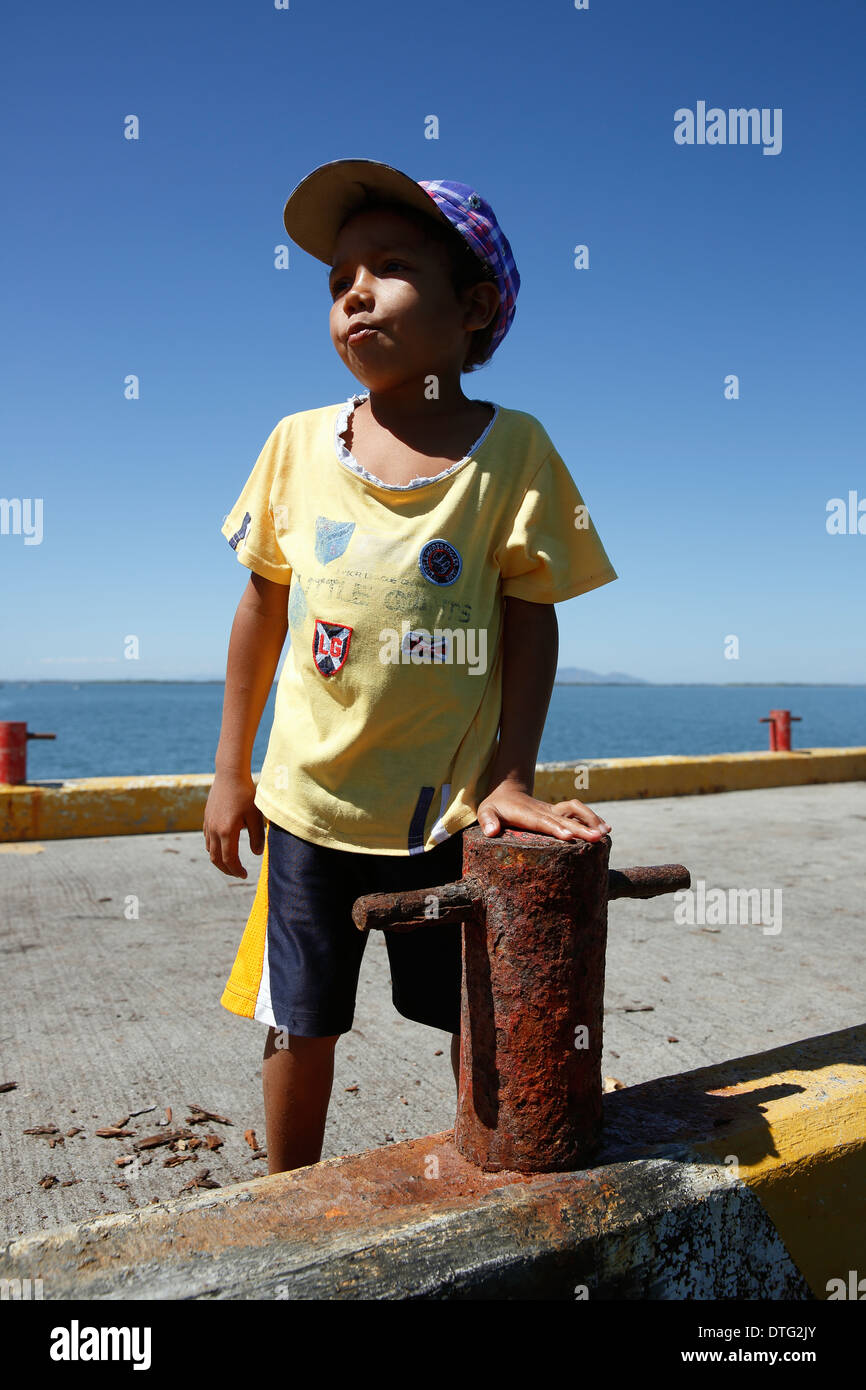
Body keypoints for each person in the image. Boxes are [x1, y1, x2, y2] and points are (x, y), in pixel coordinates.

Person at [204, 158, 618, 1175]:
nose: (352, 291)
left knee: (471, 1013)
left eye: (389, 268)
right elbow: (260, 608)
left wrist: (510, 778)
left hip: (446, 811)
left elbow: (530, 617)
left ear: (472, 308)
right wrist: (230, 771)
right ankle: (284, 1201)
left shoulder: (511, 451)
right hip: (308, 804)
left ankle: (487, 1173)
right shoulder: (297, 444)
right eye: (337, 277)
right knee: (298, 1022)